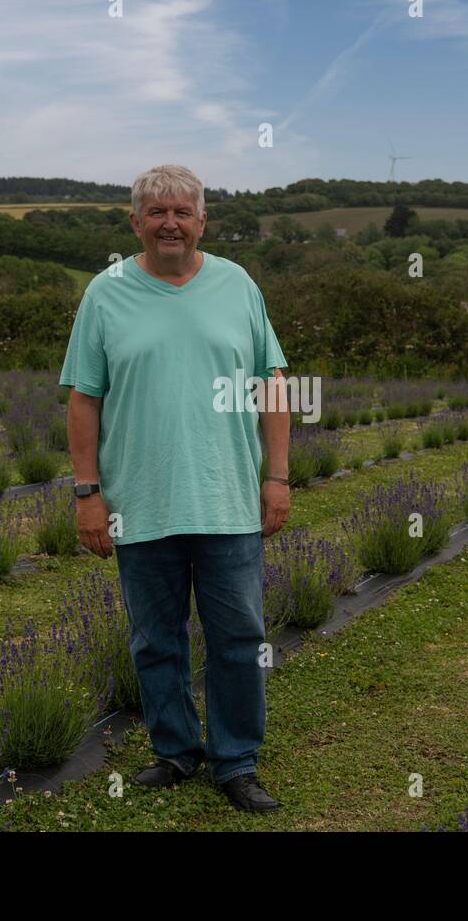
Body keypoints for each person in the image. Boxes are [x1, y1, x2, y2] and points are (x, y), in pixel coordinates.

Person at [59, 163, 290, 813]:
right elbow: (83, 399)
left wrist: (277, 476)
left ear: (201, 221)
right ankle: (175, 750)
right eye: (156, 212)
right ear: (135, 223)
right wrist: (87, 493)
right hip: (140, 503)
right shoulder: (105, 295)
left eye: (181, 212)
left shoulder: (237, 286)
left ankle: (236, 760)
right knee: (155, 639)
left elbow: (272, 385)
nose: (170, 223)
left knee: (238, 637)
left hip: (228, 501)